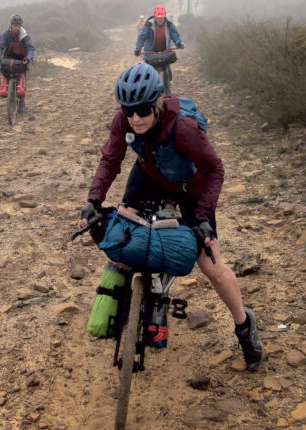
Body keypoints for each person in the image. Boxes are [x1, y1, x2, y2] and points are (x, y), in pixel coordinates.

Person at [78, 62, 263, 371]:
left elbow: (214, 170)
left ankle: (244, 326)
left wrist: (202, 218)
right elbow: (110, 160)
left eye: (142, 110)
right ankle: (124, 310)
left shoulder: (183, 128)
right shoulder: (123, 121)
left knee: (211, 265)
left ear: (157, 103)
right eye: (128, 111)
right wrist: (93, 200)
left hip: (191, 188)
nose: (135, 119)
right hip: (149, 175)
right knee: (123, 235)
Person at [0, 15, 34, 101]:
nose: (16, 28)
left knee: (22, 74)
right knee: (5, 70)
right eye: (15, 25)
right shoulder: (6, 34)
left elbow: (30, 48)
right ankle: (5, 89)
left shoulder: (24, 35)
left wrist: (28, 58)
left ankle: (21, 102)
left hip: (22, 56)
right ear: (11, 25)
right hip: (10, 54)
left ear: (21, 25)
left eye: (18, 26)